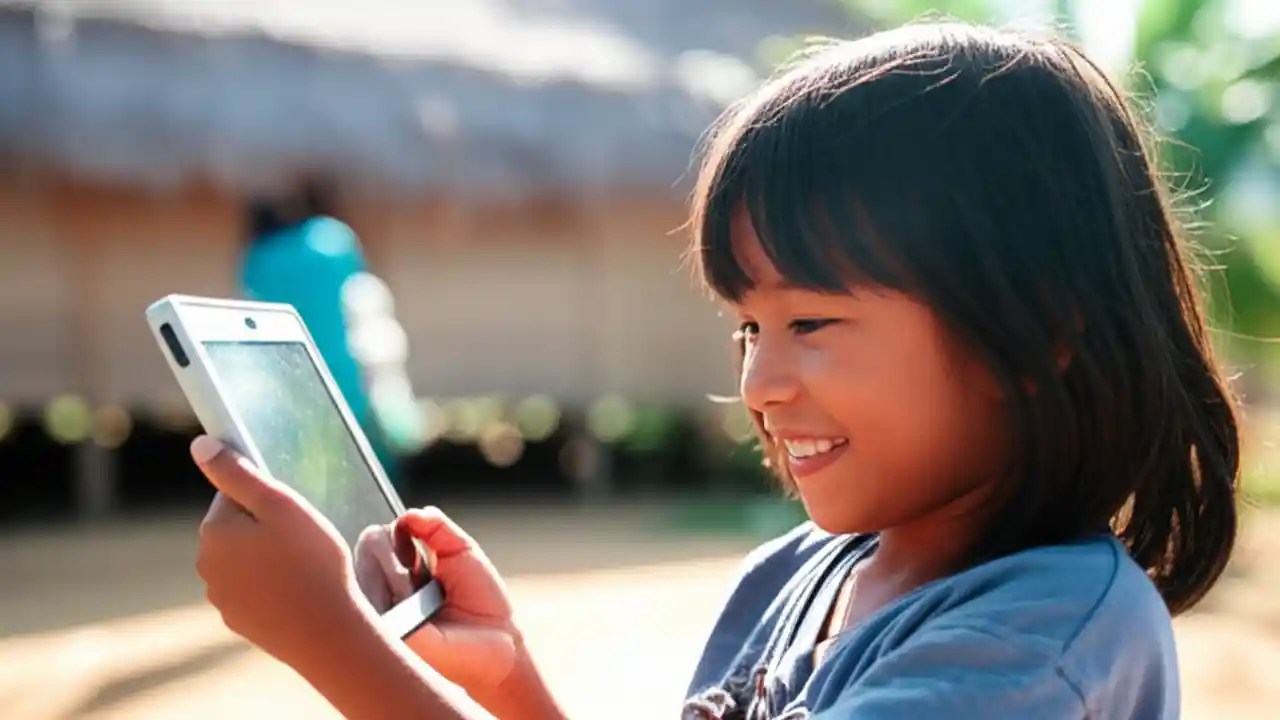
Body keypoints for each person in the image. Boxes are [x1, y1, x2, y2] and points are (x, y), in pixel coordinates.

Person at [188, 22, 1240, 719]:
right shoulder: (799, 574)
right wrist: (508, 677)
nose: (758, 384)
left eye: (812, 321)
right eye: (745, 329)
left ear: (1038, 330)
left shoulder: (1038, 640)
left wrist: (335, 647)